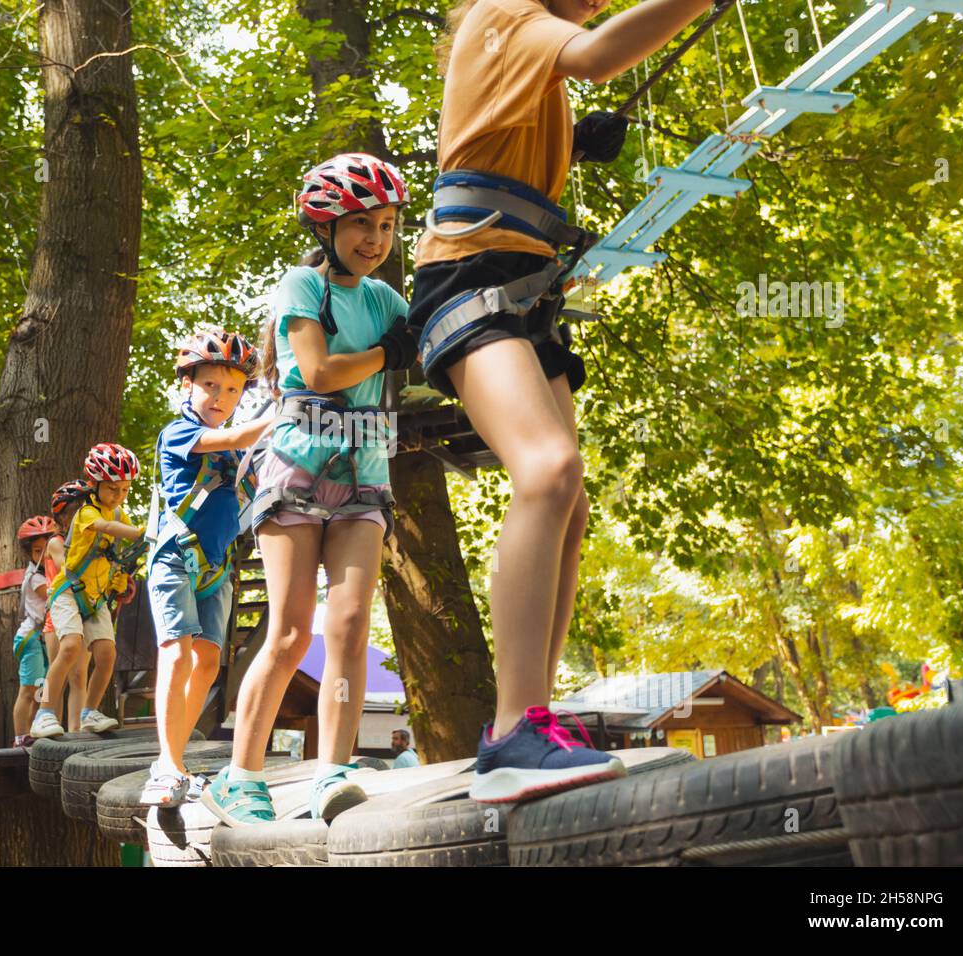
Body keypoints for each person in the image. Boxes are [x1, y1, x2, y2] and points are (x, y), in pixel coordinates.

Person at [407, 0, 717, 803]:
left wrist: (570, 144)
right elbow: (599, 55)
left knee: (567, 501)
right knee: (546, 470)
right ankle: (511, 729)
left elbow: (511, 123)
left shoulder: (524, 50)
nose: (601, 4)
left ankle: (531, 720)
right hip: (468, 280)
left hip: (525, 286)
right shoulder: (500, 11)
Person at [203, 154, 418, 826]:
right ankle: (240, 775)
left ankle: (335, 769)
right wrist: (390, 352)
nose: (375, 239)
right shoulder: (303, 285)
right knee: (292, 631)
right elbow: (320, 371)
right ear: (327, 227)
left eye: (385, 225)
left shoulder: (387, 299)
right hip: (295, 469)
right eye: (360, 224)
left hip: (365, 471)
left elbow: (433, 346)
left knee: (351, 625)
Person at [140, 330, 274, 806]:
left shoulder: (238, 453)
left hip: (215, 569)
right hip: (176, 557)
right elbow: (237, 434)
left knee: (210, 662)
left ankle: (172, 756)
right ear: (187, 386)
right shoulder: (180, 432)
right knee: (177, 653)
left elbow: (260, 476)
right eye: (211, 386)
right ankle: (167, 765)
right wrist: (288, 410)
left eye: (234, 390)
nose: (221, 397)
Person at [30, 444, 145, 739]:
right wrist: (139, 532)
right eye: (112, 489)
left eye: (124, 489)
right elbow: (107, 527)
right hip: (69, 592)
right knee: (69, 647)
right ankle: (44, 714)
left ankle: (89, 712)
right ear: (94, 485)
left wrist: (123, 576)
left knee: (107, 655)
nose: (118, 495)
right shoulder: (87, 513)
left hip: (95, 598)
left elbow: (127, 546)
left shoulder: (119, 512)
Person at [44, 480, 92, 731]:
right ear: (61, 515)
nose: (79, 516)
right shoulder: (55, 542)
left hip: (83, 611)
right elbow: (68, 567)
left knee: (78, 676)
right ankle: (48, 720)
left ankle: (76, 731)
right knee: (58, 674)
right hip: (58, 618)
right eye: (74, 511)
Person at [11, 515, 60, 746]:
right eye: (37, 551)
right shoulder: (35, 577)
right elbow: (52, 594)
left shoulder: (49, 572)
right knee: (29, 689)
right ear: (29, 553)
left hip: (46, 638)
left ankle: (37, 732)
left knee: (45, 690)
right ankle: (21, 736)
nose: (43, 556)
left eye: (46, 550)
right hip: (32, 637)